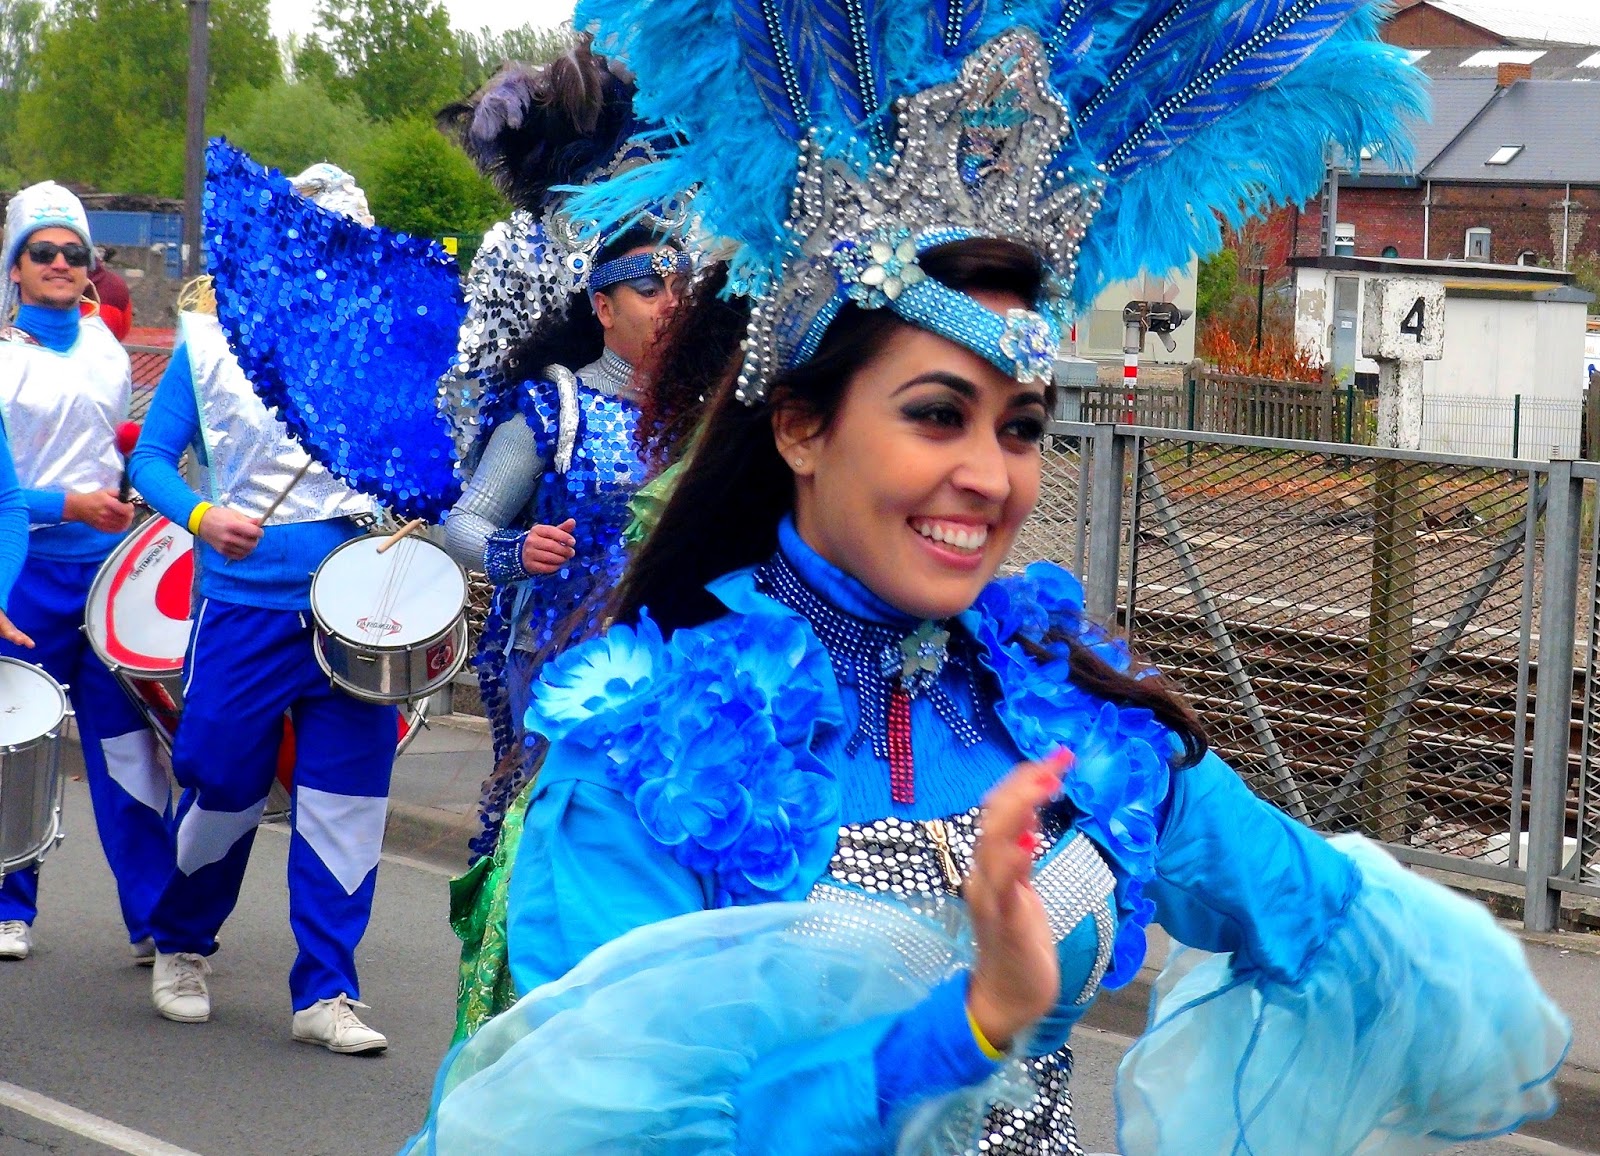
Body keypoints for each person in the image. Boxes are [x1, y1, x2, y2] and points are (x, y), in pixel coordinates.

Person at [404, 2, 1568, 1153]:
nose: (987, 475)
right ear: (800, 428)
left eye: (1018, 426)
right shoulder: (645, 757)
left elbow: (1323, 920)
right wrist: (964, 1031)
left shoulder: (1065, 711)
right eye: (935, 415)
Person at [127, 165, 396, 1054]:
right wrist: (203, 516)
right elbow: (152, 463)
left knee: (344, 801)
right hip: (243, 608)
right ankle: (182, 943)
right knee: (222, 779)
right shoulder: (209, 347)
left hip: (357, 612)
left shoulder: (380, 349)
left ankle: (327, 990)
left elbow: (423, 473)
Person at [436, 41, 692, 864]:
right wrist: (518, 551)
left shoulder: (700, 418)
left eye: (677, 288)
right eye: (648, 289)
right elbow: (464, 523)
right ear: (603, 305)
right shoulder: (556, 407)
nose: (668, 305)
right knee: (543, 852)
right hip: (554, 662)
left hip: (671, 663)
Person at [0, 182, 173, 964]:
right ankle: (10, 904)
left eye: (76, 252)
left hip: (105, 580)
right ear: (15, 269)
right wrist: (67, 503)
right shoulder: (3, 360)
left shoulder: (108, 349)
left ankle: (154, 916)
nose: (62, 264)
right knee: (20, 741)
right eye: (44, 252)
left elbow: (115, 445)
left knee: (126, 745)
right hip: (25, 574)